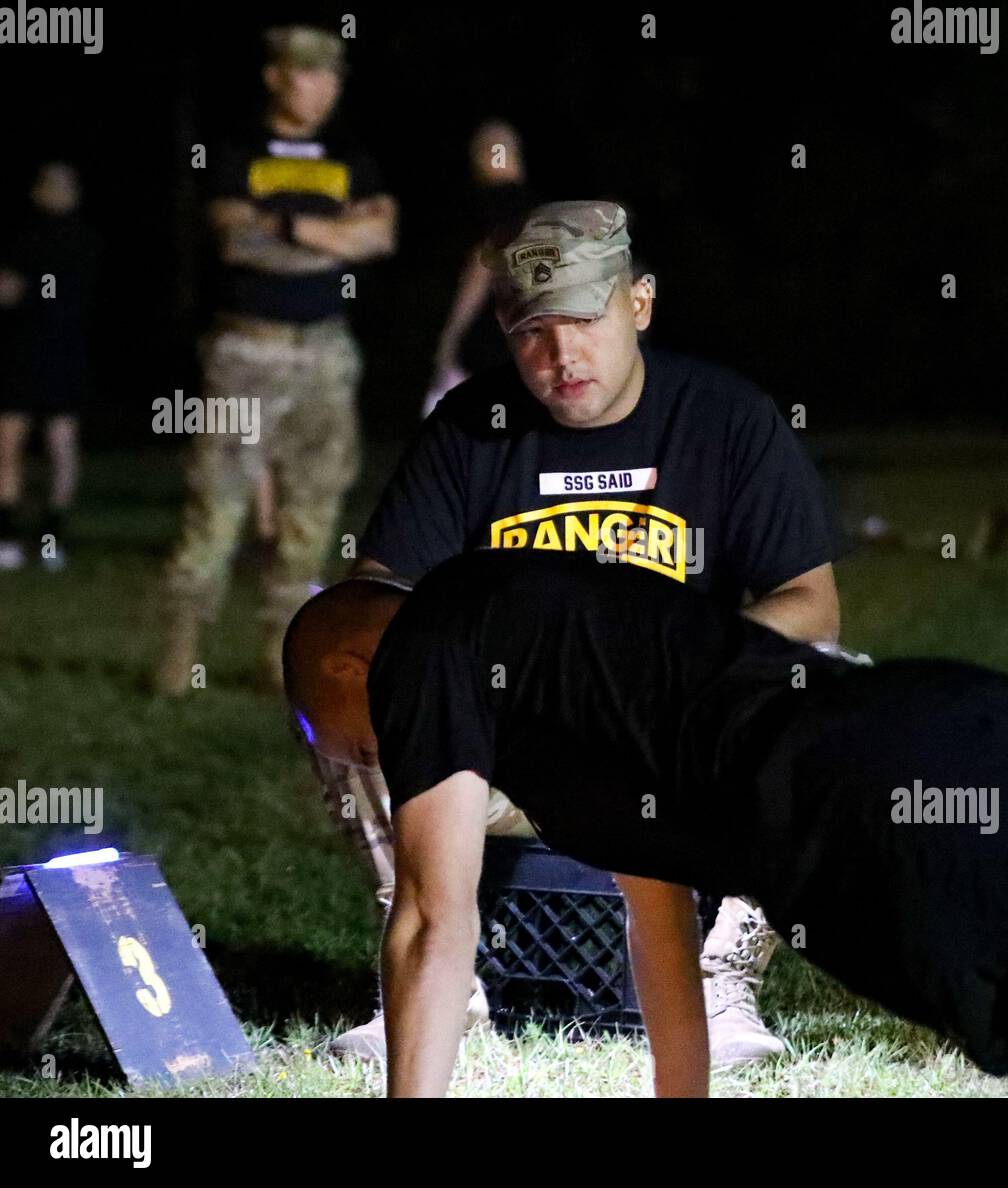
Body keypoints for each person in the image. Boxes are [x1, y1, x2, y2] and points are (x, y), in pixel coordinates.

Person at [284, 549, 1008, 1098]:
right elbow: (657, 901)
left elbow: (432, 918)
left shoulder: (425, 645)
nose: (381, 767)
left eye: (360, 749)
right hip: (951, 716)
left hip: (876, 798)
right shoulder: (553, 631)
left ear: (346, 672)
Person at [315, 199, 841, 1066]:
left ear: (639, 302)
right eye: (533, 331)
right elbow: (374, 593)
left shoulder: (725, 418)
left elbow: (810, 602)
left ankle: (723, 982)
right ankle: (439, 980)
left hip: (668, 737)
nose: (561, 356)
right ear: (502, 328)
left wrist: (672, 666)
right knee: (347, 678)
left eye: (586, 320)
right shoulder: (470, 429)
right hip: (500, 745)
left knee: (817, 676)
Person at [153, 24, 396, 695]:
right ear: (275, 76)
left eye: (329, 75)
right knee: (215, 504)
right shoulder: (236, 150)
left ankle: (280, 658)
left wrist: (286, 226)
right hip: (245, 350)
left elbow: (379, 235)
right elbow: (237, 244)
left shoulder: (352, 154)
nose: (317, 87)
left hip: (325, 351)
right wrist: (332, 238)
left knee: (312, 509)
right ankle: (180, 656)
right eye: (303, 72)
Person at [0, 162, 101, 572]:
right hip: (27, 351)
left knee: (55, 443)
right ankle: (12, 535)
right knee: (14, 443)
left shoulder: (82, 241)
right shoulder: (24, 238)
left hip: (57, 351)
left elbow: (8, 291)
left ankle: (49, 538)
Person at [422, 118, 538, 417]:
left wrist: (451, 335)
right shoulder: (541, 210)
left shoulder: (484, 205)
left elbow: (481, 266)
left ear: (481, 155)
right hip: (530, 343)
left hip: (483, 346)